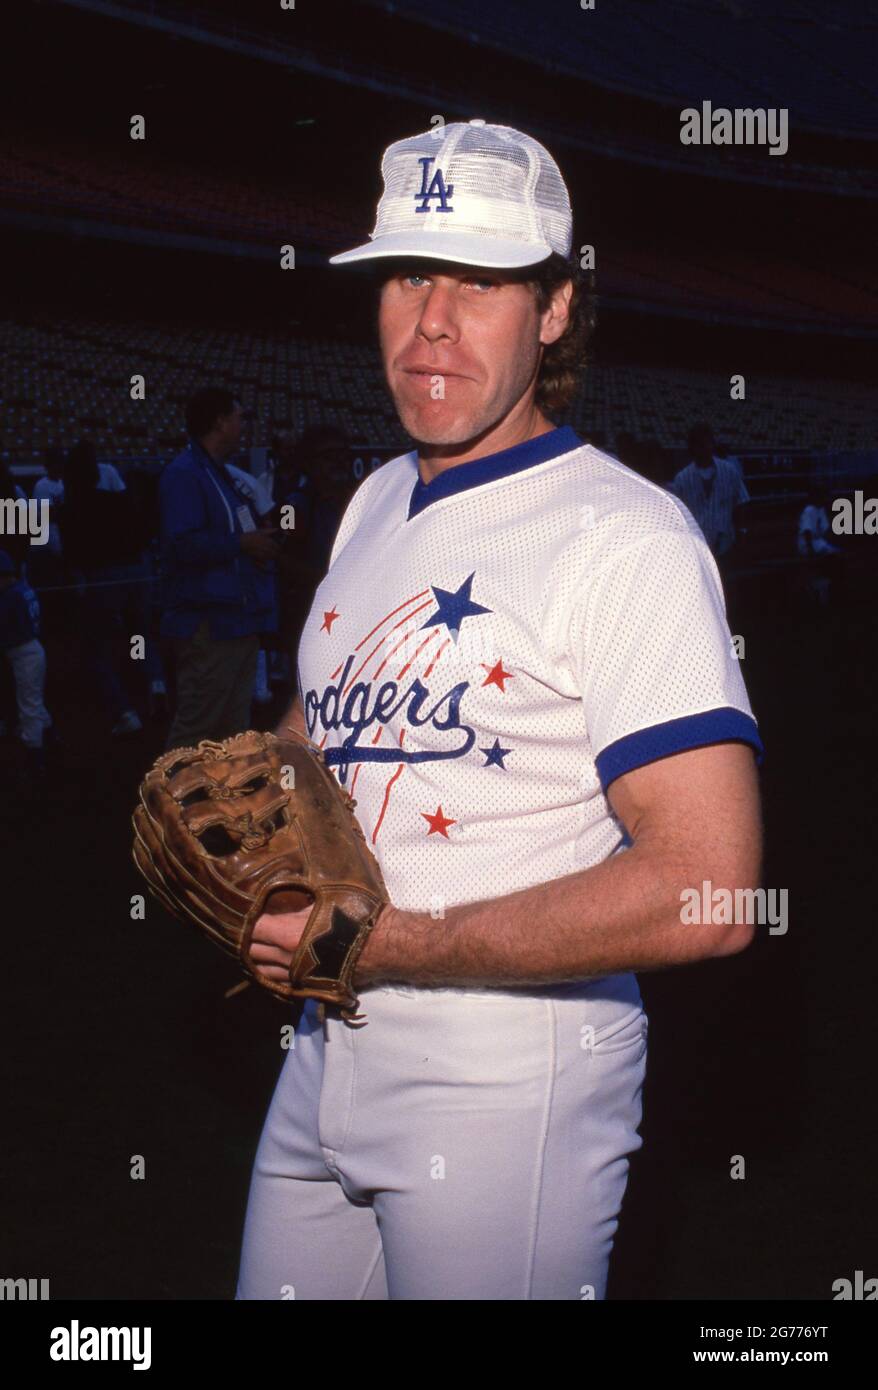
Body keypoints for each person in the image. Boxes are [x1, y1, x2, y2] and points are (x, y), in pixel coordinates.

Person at [235, 119, 763, 1302]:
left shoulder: (625, 538)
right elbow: (320, 721)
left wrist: (395, 944)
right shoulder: (373, 500)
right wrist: (266, 802)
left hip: (508, 1069)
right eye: (409, 273)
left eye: (479, 281)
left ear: (556, 309)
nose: (432, 318)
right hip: (326, 1039)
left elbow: (708, 887)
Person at [159, 387, 280, 750]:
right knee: (197, 728)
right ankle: (169, 803)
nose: (242, 425)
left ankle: (218, 803)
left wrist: (254, 544)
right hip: (209, 624)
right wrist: (243, 544)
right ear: (219, 422)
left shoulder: (217, 473)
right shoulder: (184, 474)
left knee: (231, 731)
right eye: (238, 417)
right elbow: (181, 545)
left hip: (237, 619)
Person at [61, 441, 151, 736]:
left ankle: (125, 711)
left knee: (97, 649)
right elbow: (140, 533)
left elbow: (72, 554)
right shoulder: (118, 500)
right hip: (134, 574)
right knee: (138, 636)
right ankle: (156, 685)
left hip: (102, 579)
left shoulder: (70, 507)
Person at [0, 547, 53, 784]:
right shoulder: (22, 588)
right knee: (35, 703)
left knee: (29, 708)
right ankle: (52, 742)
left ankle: (36, 763)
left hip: (24, 653)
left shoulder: (10, 596)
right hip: (32, 649)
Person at [669, 422, 749, 558]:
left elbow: (741, 503)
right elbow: (676, 516)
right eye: (699, 444)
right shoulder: (682, 478)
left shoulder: (729, 470)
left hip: (727, 543)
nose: (704, 448)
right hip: (696, 546)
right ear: (692, 447)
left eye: (707, 443)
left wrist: (742, 531)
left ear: (712, 444)